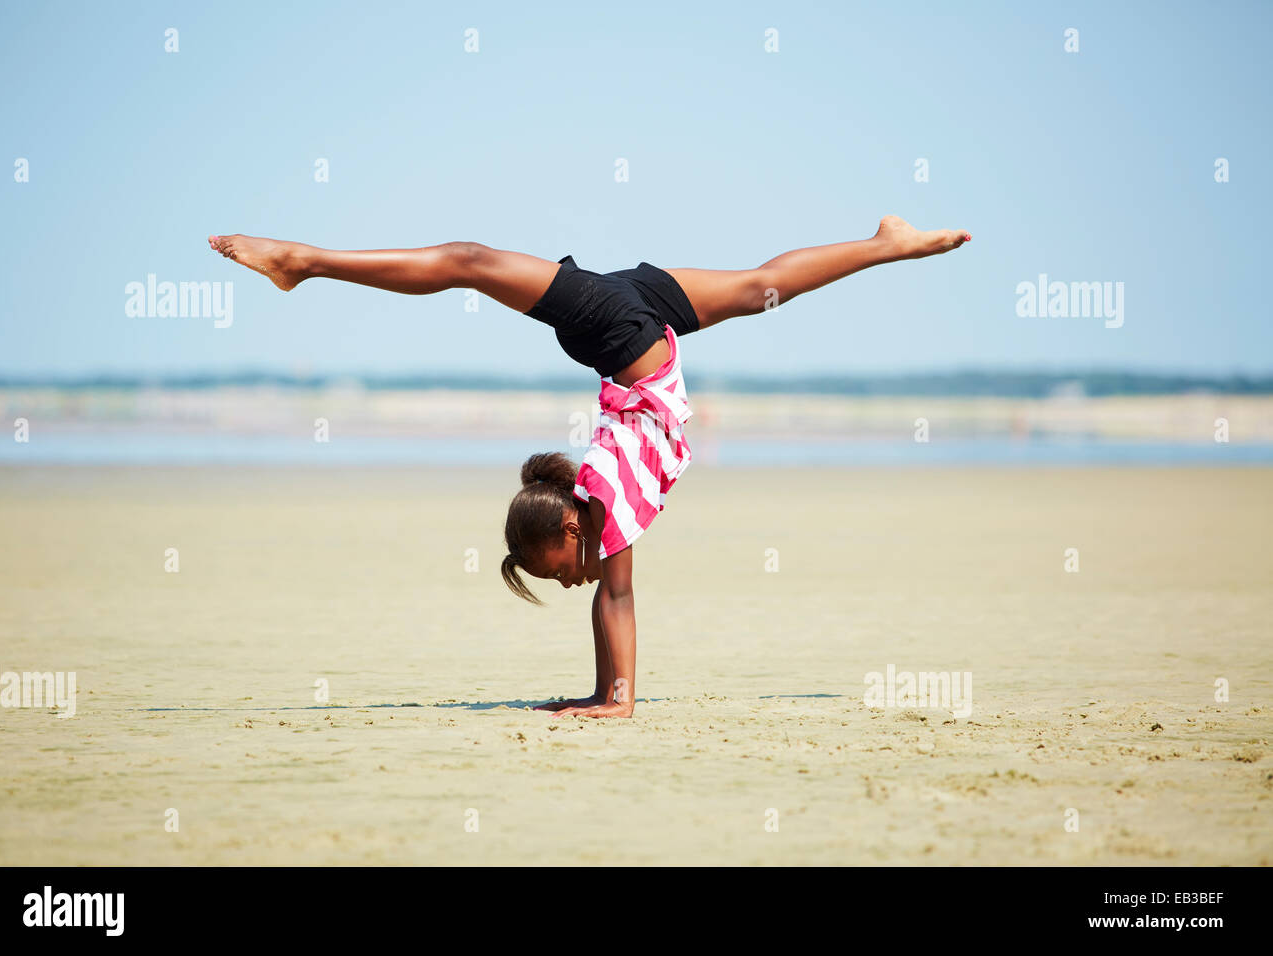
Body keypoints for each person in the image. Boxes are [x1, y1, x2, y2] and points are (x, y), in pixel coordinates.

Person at [209, 215, 971, 718]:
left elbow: (617, 598)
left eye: (559, 565)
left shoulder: (604, 495)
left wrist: (617, 701)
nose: (570, 578)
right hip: (631, 334)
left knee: (468, 262)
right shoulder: (596, 505)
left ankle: (301, 261)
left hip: (622, 335)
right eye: (557, 578)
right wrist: (610, 693)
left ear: (573, 521)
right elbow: (613, 594)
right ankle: (886, 242)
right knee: (750, 291)